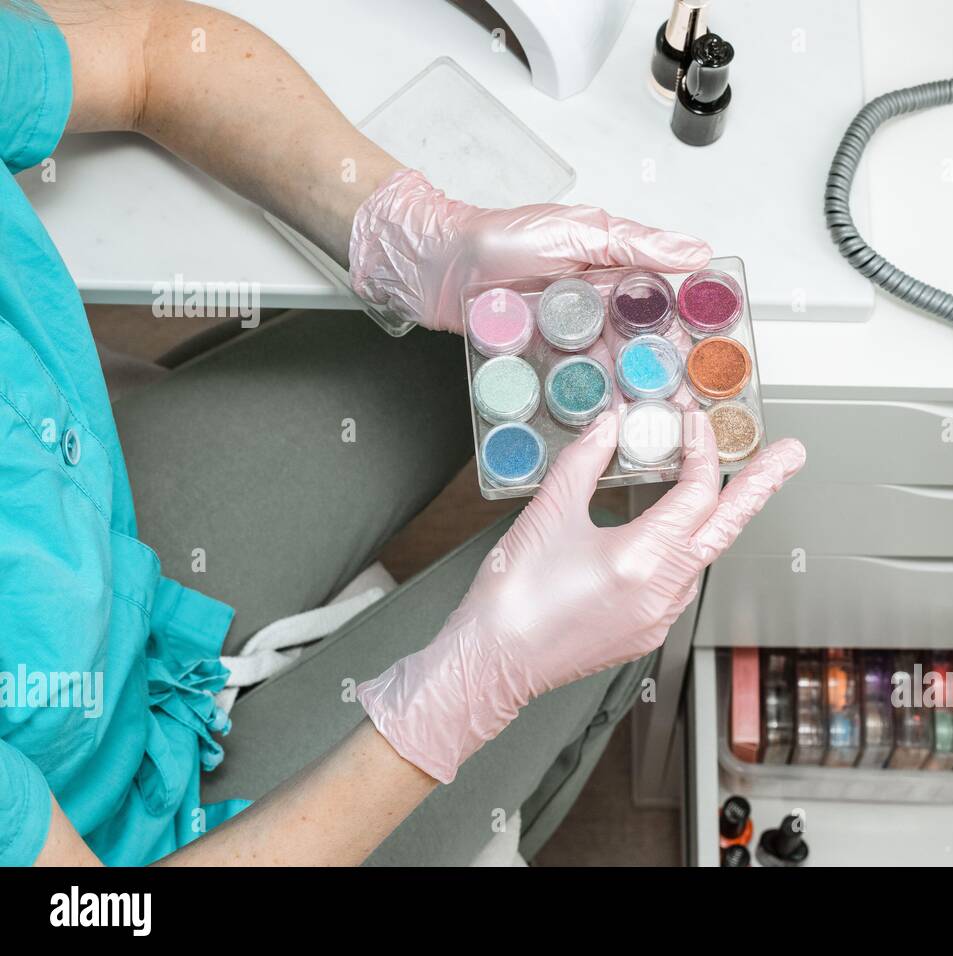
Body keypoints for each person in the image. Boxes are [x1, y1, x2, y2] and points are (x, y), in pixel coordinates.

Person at [0, 0, 805, 866]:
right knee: (631, 542)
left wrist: (413, 236)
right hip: (115, 850)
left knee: (510, 330)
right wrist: (452, 707)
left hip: (99, 553)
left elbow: (153, 53)